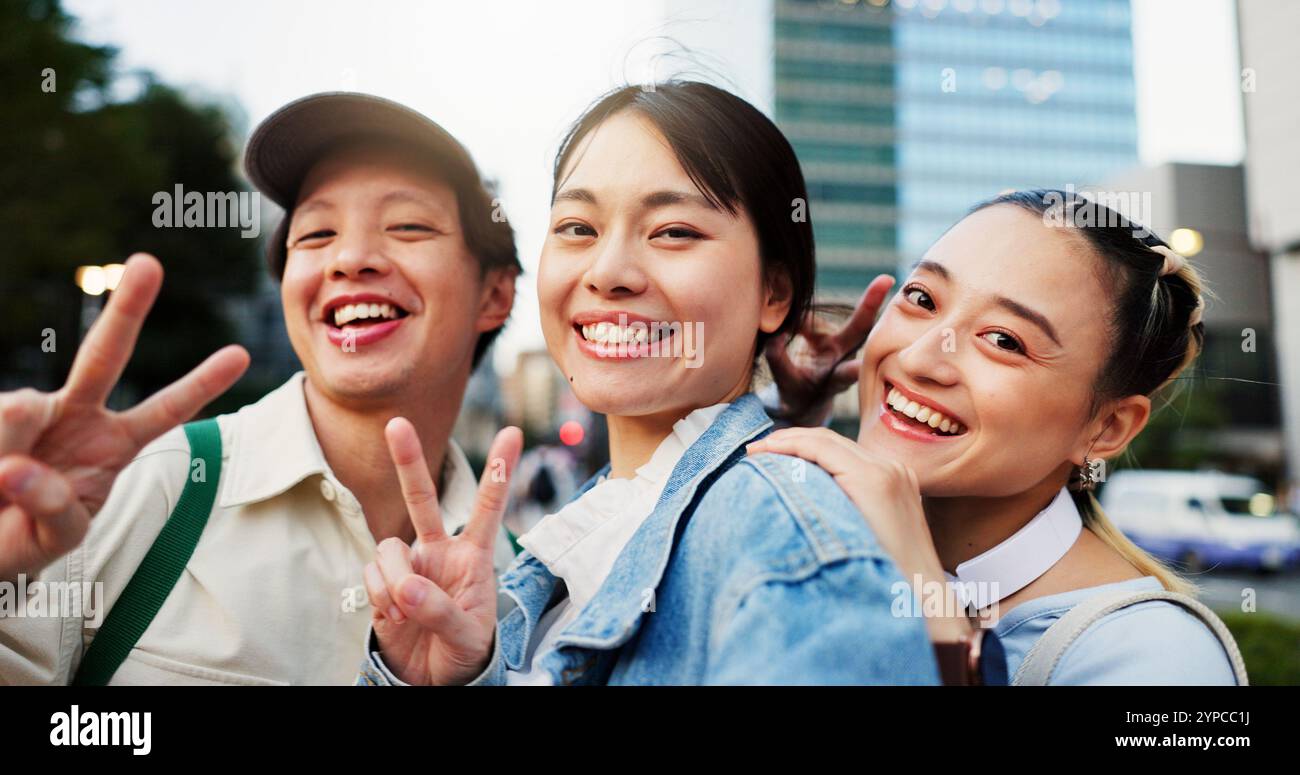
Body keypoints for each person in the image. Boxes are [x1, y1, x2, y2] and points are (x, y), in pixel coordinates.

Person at [356, 81, 941, 686]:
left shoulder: (785, 542)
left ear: (775, 294)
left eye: (673, 232)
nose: (607, 272)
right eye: (579, 228)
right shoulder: (587, 529)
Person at [0, 93, 522, 684]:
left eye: (408, 225)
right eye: (316, 233)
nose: (349, 258)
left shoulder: (520, 583)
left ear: (494, 295)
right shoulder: (146, 486)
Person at [748, 189, 1246, 685]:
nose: (920, 358)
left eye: (1004, 340)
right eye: (922, 299)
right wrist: (787, 419)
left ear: (1106, 428)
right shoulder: (816, 529)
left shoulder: (1159, 658)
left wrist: (928, 602)